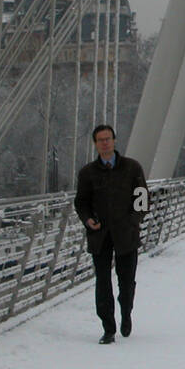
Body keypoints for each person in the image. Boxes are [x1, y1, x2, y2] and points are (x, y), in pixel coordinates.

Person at [75, 124, 150, 344]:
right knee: (103, 282)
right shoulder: (88, 173)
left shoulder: (132, 168)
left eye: (108, 139)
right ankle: (108, 327)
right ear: (95, 144)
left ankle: (126, 313)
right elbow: (81, 202)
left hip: (126, 234)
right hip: (100, 236)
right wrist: (88, 219)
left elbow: (142, 200)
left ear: (114, 141)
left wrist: (133, 222)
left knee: (126, 282)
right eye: (100, 140)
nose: (105, 143)